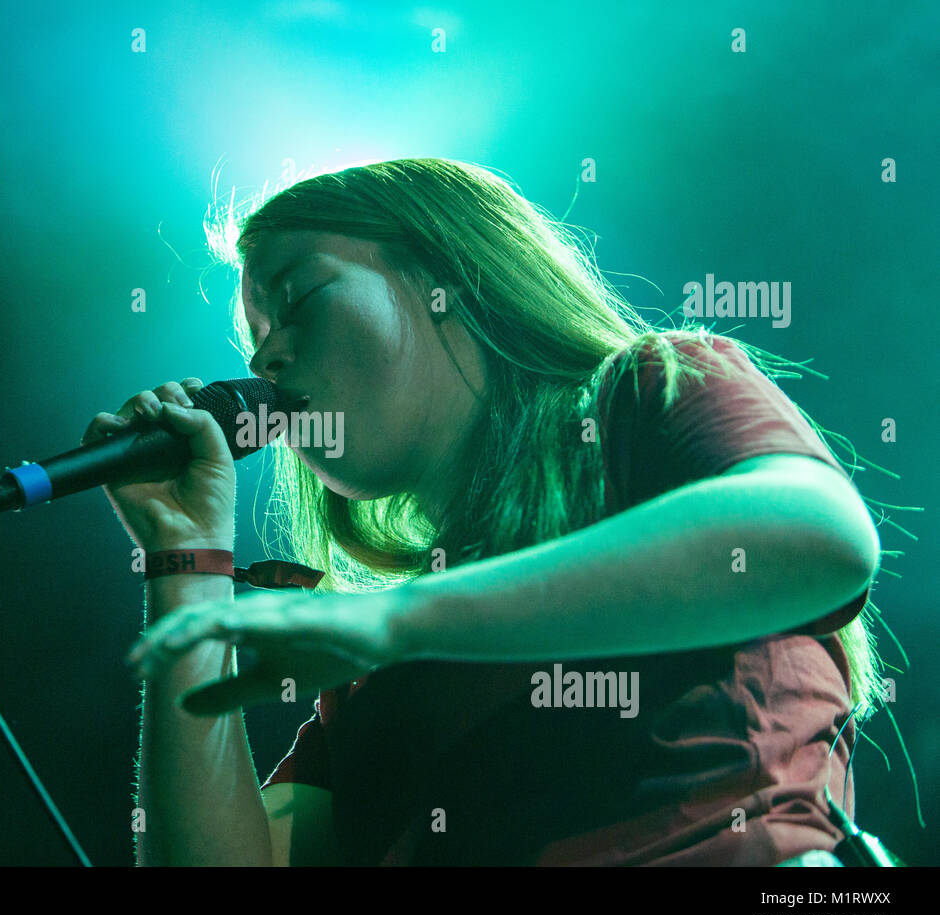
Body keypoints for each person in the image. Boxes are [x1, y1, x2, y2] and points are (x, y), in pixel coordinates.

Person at [87, 158, 888, 866]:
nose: (263, 359)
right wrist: (186, 559)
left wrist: (400, 621)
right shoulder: (371, 682)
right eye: (255, 338)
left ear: (451, 279)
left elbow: (817, 539)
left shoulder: (649, 390)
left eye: (297, 301)